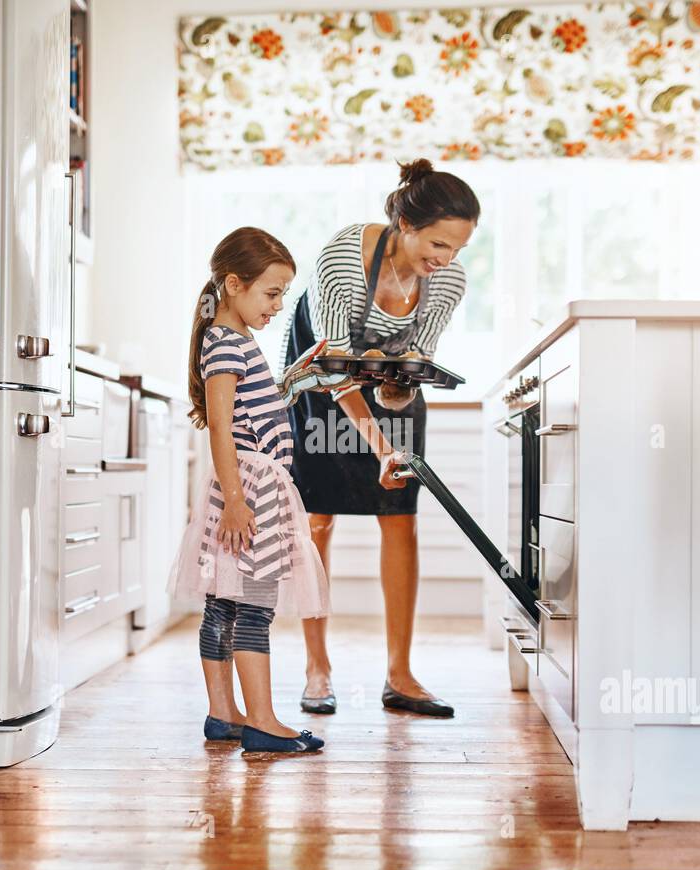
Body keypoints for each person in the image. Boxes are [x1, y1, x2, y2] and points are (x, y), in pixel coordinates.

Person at [281, 158, 480, 718]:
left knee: (401, 516)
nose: (444, 262)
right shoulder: (344, 259)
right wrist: (378, 442)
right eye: (437, 245)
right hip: (322, 374)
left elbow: (413, 370)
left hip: (384, 374)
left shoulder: (447, 282)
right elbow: (332, 367)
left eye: (457, 250)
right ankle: (317, 669)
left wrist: (397, 391)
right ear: (404, 222)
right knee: (317, 520)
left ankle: (401, 674)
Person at [167, 227, 330, 753]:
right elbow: (219, 427)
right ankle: (262, 721)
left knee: (223, 604)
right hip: (249, 489)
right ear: (233, 285)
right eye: (271, 292)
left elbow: (243, 413)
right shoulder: (227, 345)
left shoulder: (231, 342)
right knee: (254, 606)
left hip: (243, 485)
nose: (279, 305)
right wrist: (237, 502)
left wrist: (290, 382)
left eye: (283, 293)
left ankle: (224, 715)